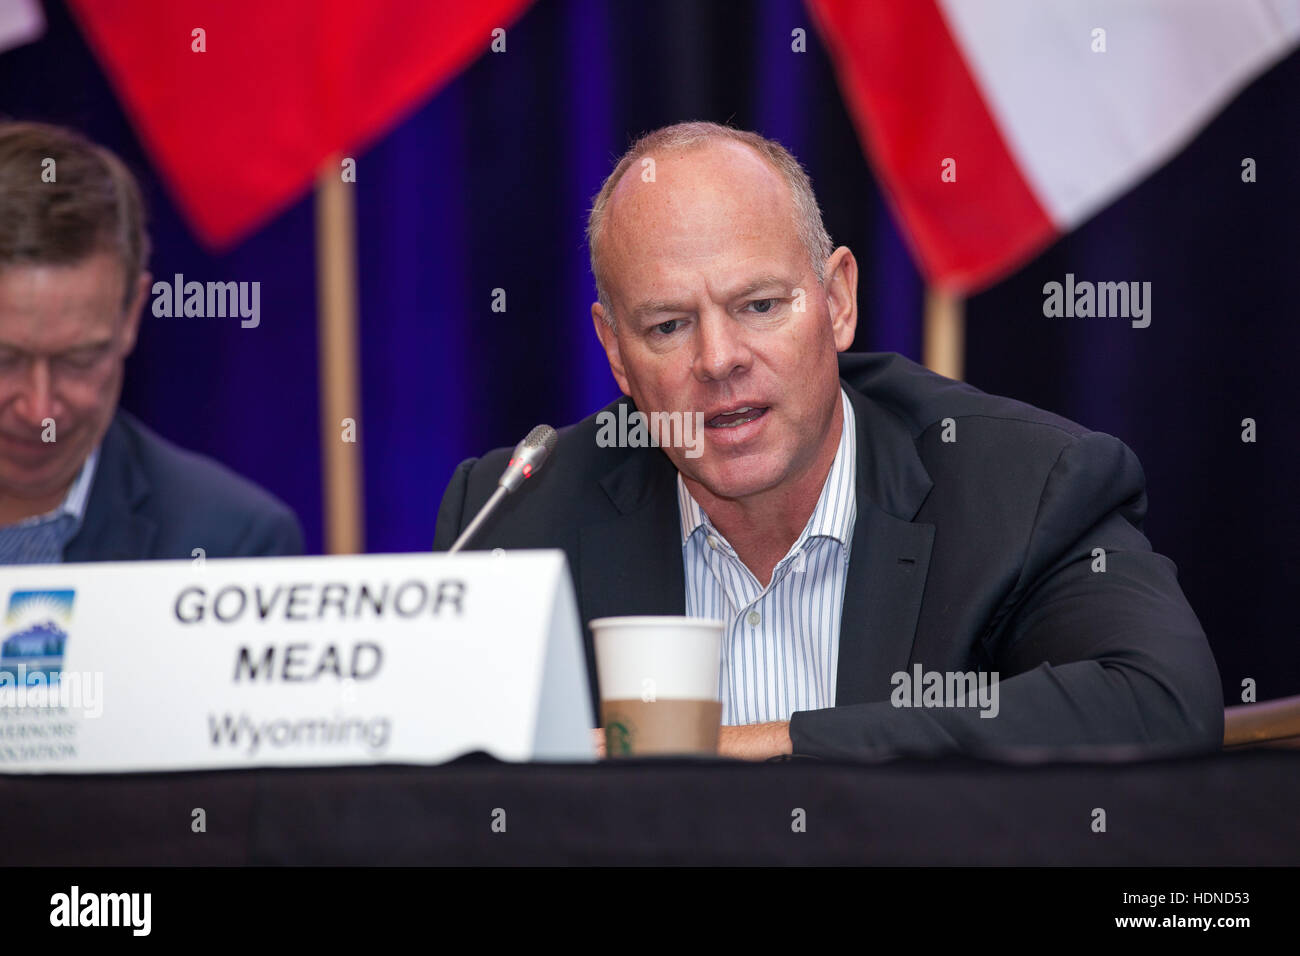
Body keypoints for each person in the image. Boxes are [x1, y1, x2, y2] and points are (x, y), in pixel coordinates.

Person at [434, 121, 1223, 761]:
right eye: (668, 326)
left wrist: (771, 745)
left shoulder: (1021, 488)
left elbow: (1160, 700)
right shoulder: (519, 517)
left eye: (760, 306)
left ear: (838, 300)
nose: (718, 360)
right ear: (615, 354)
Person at [0, 121, 302, 564]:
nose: (40, 409)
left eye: (80, 360)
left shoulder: (232, 545)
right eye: (5, 359)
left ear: (132, 314)